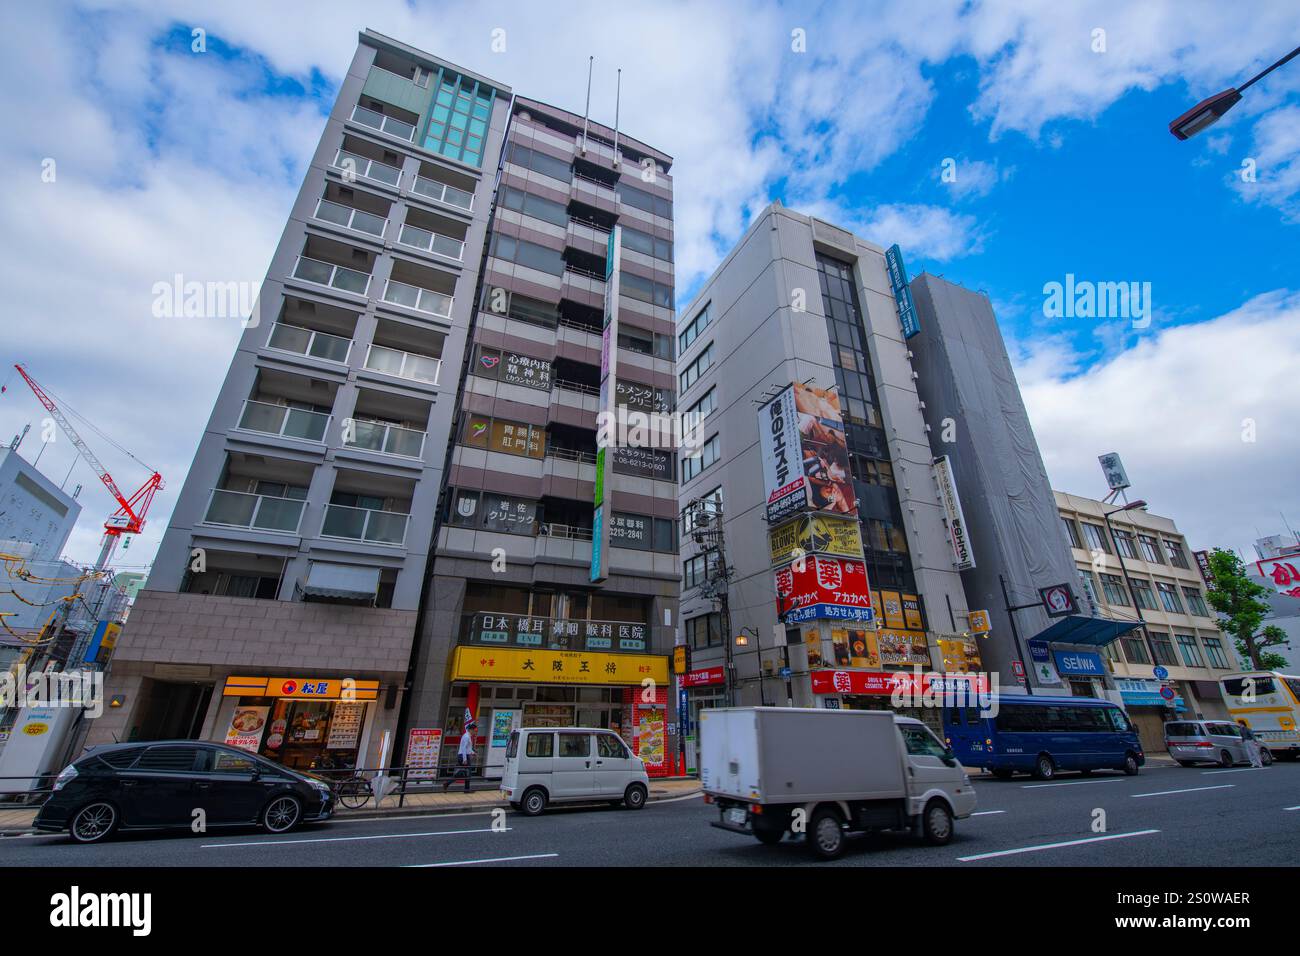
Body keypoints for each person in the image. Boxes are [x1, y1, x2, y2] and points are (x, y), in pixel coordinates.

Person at [445, 721, 477, 792]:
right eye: (474, 731)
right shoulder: (466, 736)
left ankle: (448, 783)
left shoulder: (468, 736)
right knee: (467, 772)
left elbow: (468, 748)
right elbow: (463, 748)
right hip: (463, 756)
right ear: (471, 730)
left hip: (463, 755)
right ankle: (466, 789)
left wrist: (473, 752)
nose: (475, 732)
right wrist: (465, 759)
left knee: (465, 773)